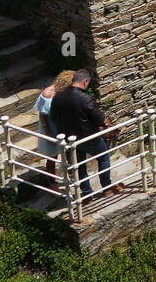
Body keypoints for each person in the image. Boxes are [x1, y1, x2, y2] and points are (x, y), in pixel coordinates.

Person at [50, 69, 117, 199]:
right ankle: (107, 188)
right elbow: (99, 120)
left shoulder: (57, 97)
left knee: (79, 166)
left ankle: (87, 194)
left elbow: (54, 117)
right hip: (88, 138)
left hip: (70, 140)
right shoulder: (86, 99)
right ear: (85, 82)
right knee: (103, 157)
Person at [33, 70, 75, 177]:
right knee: (52, 156)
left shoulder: (67, 92)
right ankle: (51, 179)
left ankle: (72, 175)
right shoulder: (47, 94)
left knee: (70, 152)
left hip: (65, 126)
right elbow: (42, 116)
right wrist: (48, 134)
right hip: (51, 127)